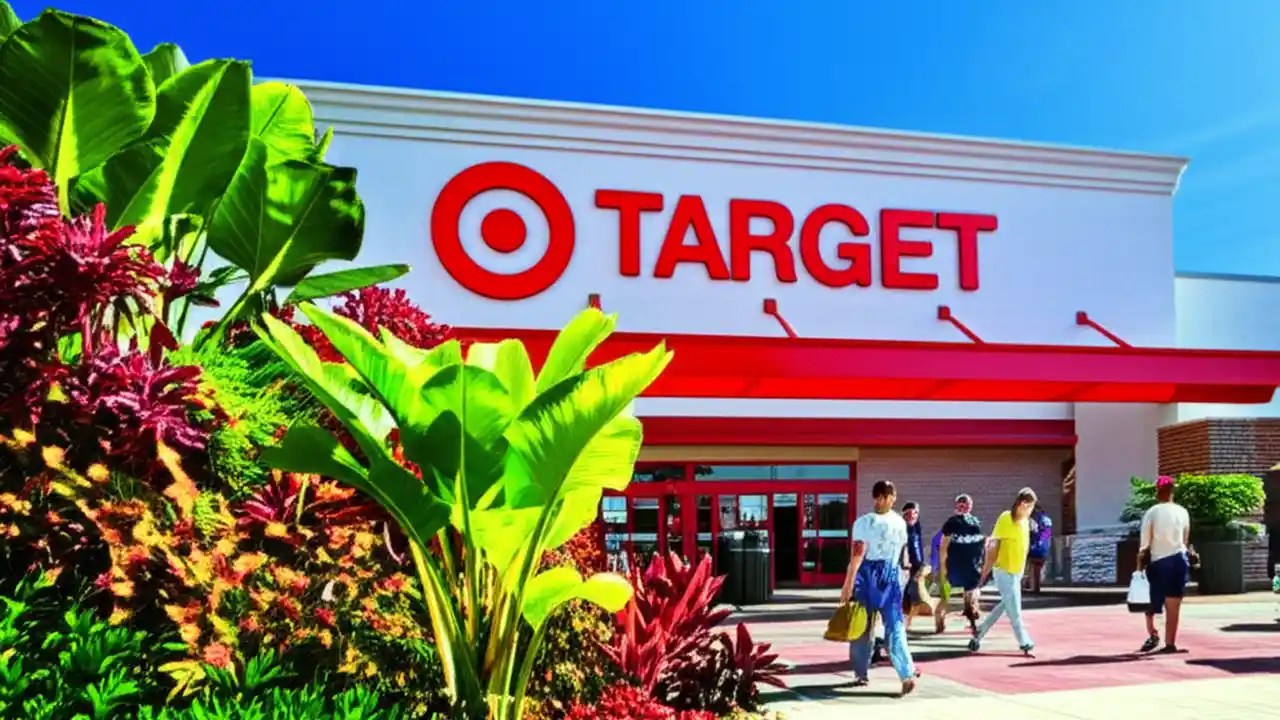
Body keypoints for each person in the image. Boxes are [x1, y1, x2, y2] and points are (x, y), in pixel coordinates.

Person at [839, 480, 918, 696]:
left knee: (892, 626)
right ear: (881, 497)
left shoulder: (897, 522)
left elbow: (903, 551)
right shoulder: (865, 523)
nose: (894, 500)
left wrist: (905, 572)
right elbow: (857, 554)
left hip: (887, 576)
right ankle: (863, 672)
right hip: (872, 575)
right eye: (891, 496)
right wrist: (848, 583)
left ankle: (906, 673)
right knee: (867, 626)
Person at [970, 488, 1038, 656]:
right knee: (1015, 610)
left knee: (1005, 605)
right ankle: (1024, 641)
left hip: (1017, 572)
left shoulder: (1024, 522)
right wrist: (984, 572)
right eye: (1030, 506)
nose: (1031, 510)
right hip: (1004, 572)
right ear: (1022, 504)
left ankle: (979, 633)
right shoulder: (1006, 518)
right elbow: (993, 547)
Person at [1138, 475, 1191, 653]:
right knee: (1174, 604)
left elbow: (1146, 541)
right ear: (1172, 491)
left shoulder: (1152, 512)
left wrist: (1139, 564)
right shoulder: (1182, 511)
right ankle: (1170, 643)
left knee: (1151, 602)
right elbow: (1185, 539)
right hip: (1179, 560)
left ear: (1157, 492)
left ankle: (1153, 633)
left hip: (1159, 561)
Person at [934, 493, 985, 636]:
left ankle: (973, 621)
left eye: (966, 503)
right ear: (957, 505)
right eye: (961, 503)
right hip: (954, 566)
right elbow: (944, 545)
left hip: (970, 566)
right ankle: (940, 623)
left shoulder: (975, 522)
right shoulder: (951, 523)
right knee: (946, 596)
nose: (964, 506)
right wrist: (943, 565)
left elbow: (977, 545)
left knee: (971, 596)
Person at [900, 502, 930, 630]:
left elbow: (918, 547)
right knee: (907, 596)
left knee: (915, 597)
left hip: (917, 567)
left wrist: (922, 562)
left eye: (915, 513)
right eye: (908, 514)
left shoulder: (917, 527)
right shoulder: (901, 529)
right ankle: (904, 623)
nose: (912, 516)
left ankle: (907, 623)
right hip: (905, 568)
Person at [1025, 504, 1053, 593]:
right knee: (1038, 566)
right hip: (1043, 547)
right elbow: (1047, 533)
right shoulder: (1047, 519)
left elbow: (1029, 532)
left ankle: (1029, 583)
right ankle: (1035, 585)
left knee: (1029, 565)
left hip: (1034, 547)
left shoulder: (1033, 519)